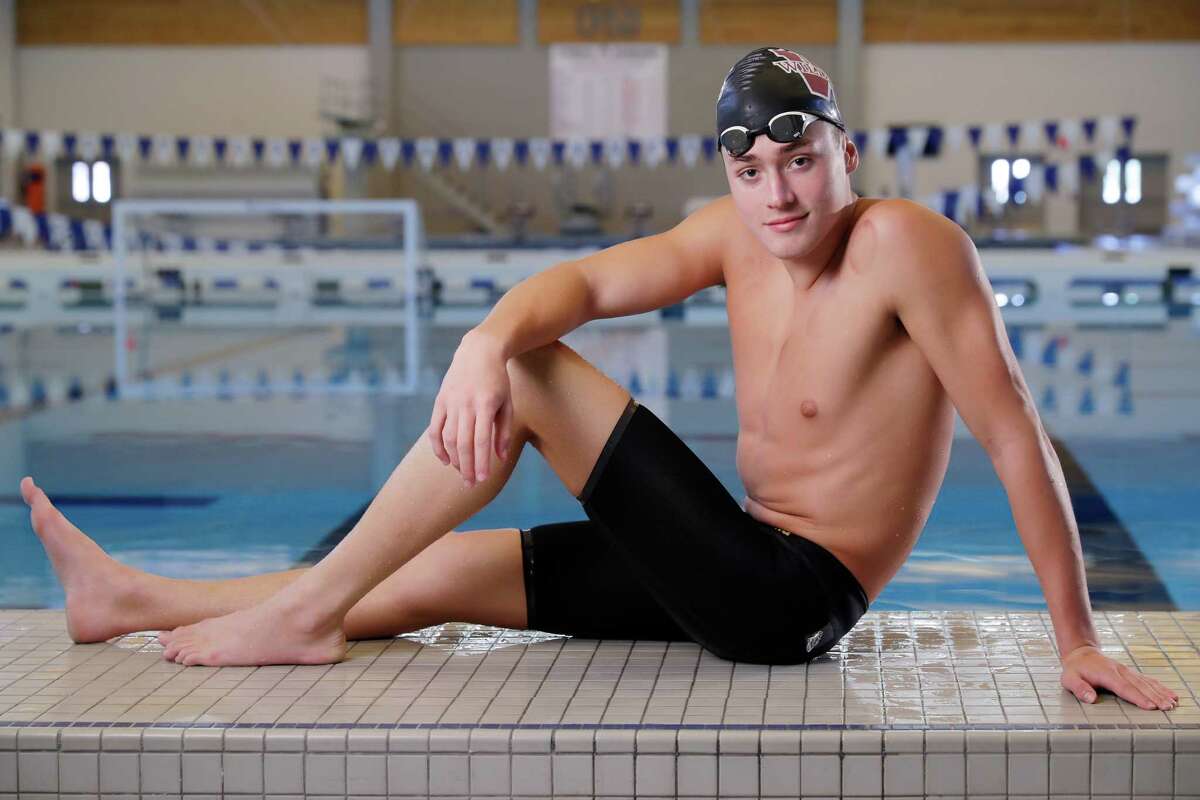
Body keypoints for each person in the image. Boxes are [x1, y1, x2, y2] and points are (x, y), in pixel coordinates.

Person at [21, 47, 1177, 712]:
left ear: (845, 153)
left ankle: (304, 616)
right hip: (730, 553)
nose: (778, 194)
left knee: (530, 374)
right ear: (731, 175)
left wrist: (1077, 634)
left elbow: (1015, 433)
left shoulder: (907, 247)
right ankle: (131, 599)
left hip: (792, 597)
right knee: (427, 570)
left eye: (801, 161)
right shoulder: (731, 236)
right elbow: (580, 280)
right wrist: (480, 337)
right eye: (754, 171)